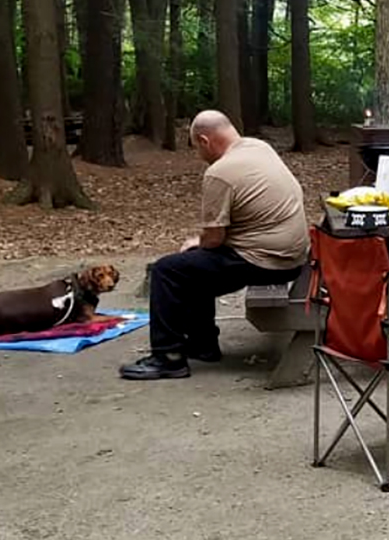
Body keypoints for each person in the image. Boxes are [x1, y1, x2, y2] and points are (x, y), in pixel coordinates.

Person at [119, 111, 310, 380]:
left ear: (204, 140)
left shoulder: (219, 173)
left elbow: (214, 239)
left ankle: (168, 357)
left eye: (196, 147)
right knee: (195, 266)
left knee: (167, 270)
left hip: (266, 261)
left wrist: (196, 242)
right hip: (293, 255)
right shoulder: (259, 147)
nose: (198, 153)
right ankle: (202, 344)